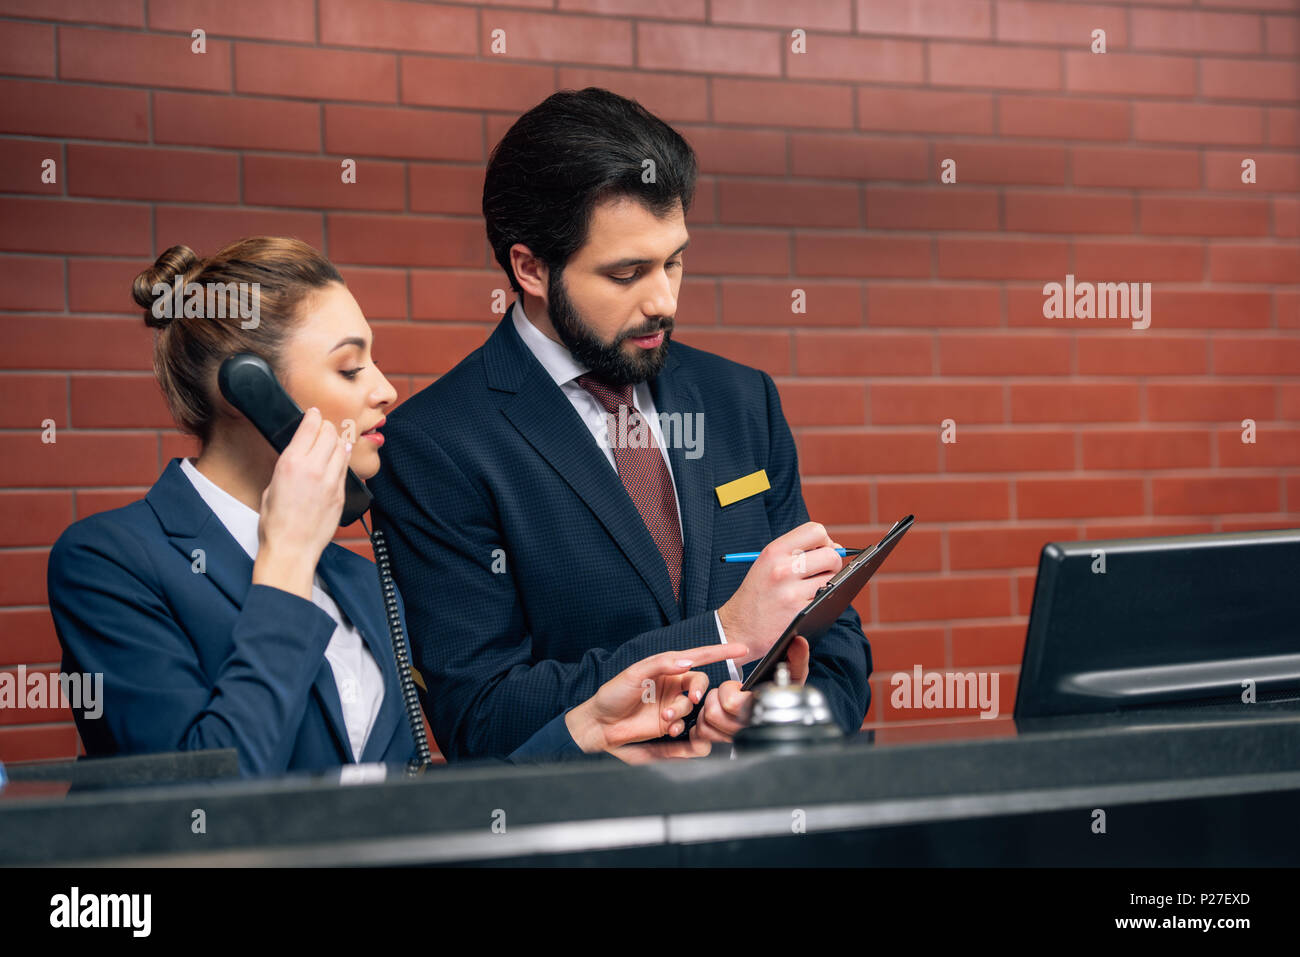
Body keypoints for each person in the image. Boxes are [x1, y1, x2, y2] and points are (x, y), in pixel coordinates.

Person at [47, 237, 745, 777]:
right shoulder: (111, 563)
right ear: (247, 390)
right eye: (350, 368)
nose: (385, 390)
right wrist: (285, 559)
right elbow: (200, 802)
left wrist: (581, 732)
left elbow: (410, 810)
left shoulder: (353, 582)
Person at [367, 88, 872, 762]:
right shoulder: (437, 444)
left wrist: (778, 716)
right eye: (628, 272)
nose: (662, 300)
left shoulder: (740, 399)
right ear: (531, 267)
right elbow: (482, 717)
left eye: (675, 261)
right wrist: (724, 635)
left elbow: (833, 639)